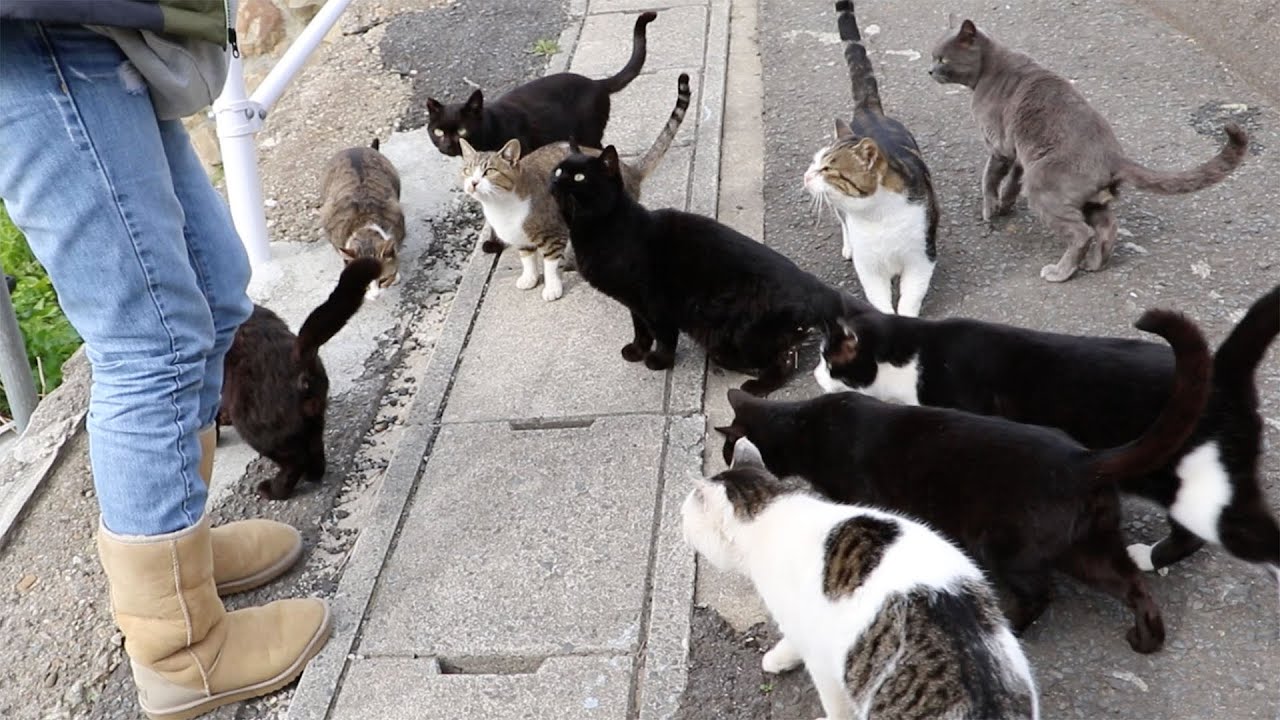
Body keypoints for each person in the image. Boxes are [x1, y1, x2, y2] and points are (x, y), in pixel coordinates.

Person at [0, 3, 330, 718]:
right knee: (150, 343)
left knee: (213, 292)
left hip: (91, 25)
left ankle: (185, 567)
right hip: (30, 38)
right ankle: (182, 654)